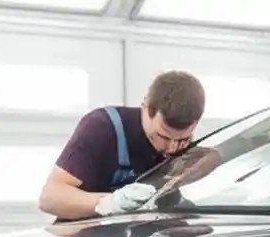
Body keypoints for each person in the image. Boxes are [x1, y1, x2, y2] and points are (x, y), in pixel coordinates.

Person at [38, 70, 206, 221]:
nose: (171, 148)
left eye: (182, 139)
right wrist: (109, 203)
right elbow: (50, 198)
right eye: (162, 136)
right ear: (145, 107)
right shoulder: (102, 127)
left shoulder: (181, 141)